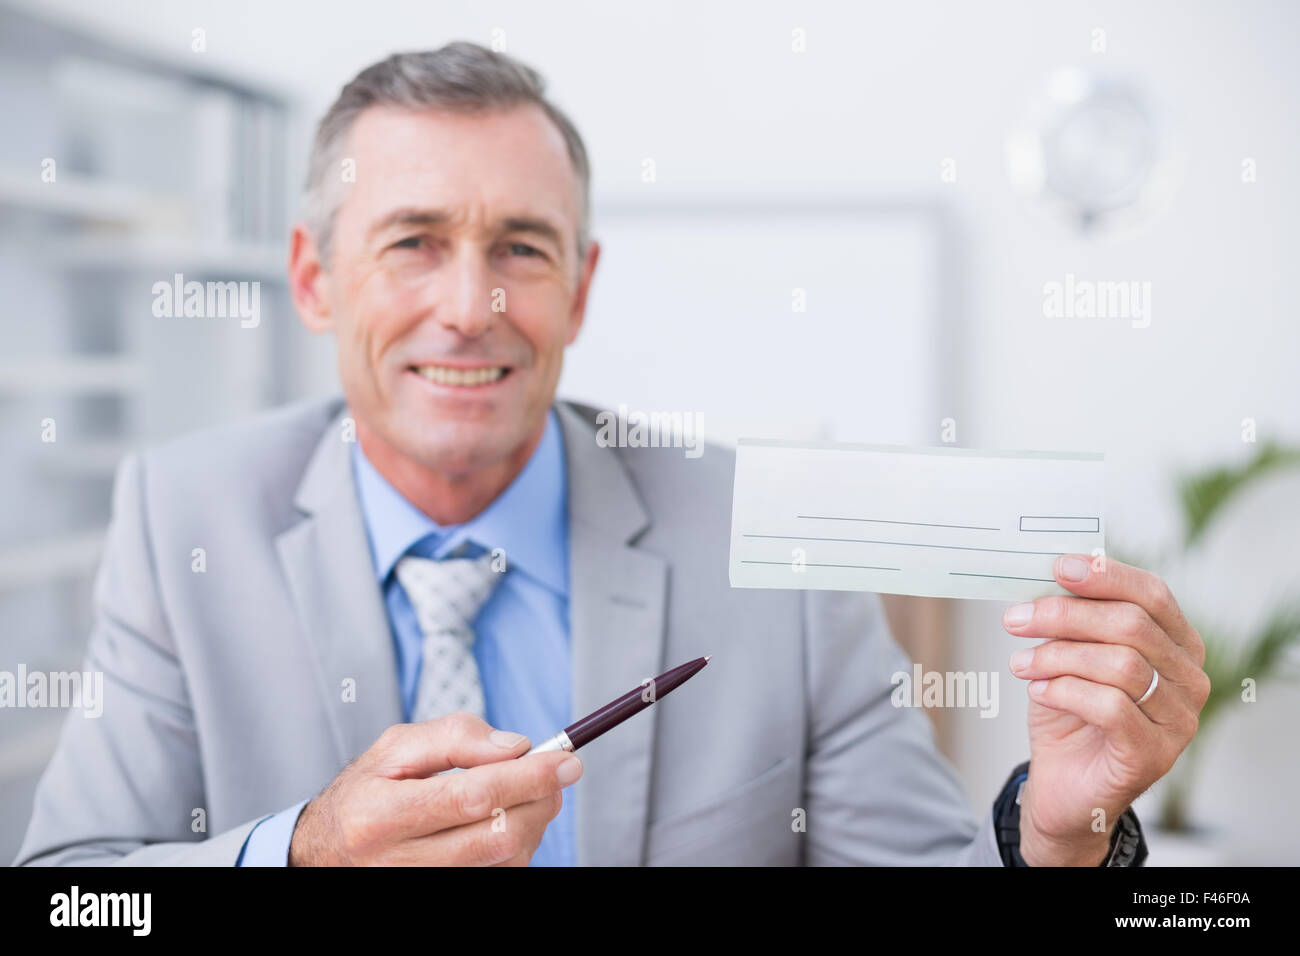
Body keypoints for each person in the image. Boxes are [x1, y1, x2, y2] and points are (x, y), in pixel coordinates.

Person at [15, 42, 1208, 867]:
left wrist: (1054, 836)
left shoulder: (760, 543)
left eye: (521, 248)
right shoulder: (183, 521)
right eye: (415, 242)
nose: (472, 305)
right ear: (316, 278)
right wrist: (302, 851)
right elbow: (78, 891)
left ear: (580, 289)